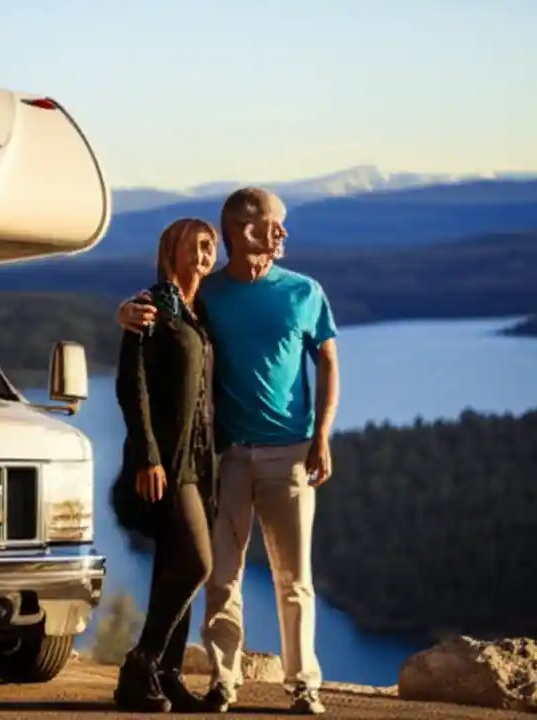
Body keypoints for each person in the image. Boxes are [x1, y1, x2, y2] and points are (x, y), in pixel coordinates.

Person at [116, 187, 340, 715]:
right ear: (242, 230)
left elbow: (329, 360)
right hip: (226, 458)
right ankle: (222, 682)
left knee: (294, 581)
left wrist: (323, 435)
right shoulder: (208, 294)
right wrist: (125, 311)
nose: (283, 233)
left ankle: (303, 685)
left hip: (291, 452)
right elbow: (161, 316)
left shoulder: (305, 291)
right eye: (273, 224)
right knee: (220, 576)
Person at [111, 218, 220, 713]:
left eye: (209, 246)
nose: (203, 254)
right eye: (194, 246)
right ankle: (142, 663)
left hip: (199, 459)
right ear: (170, 251)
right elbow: (130, 385)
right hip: (167, 460)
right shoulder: (151, 306)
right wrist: (148, 456)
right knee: (197, 562)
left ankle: (167, 677)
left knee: (172, 565)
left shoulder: (199, 311)